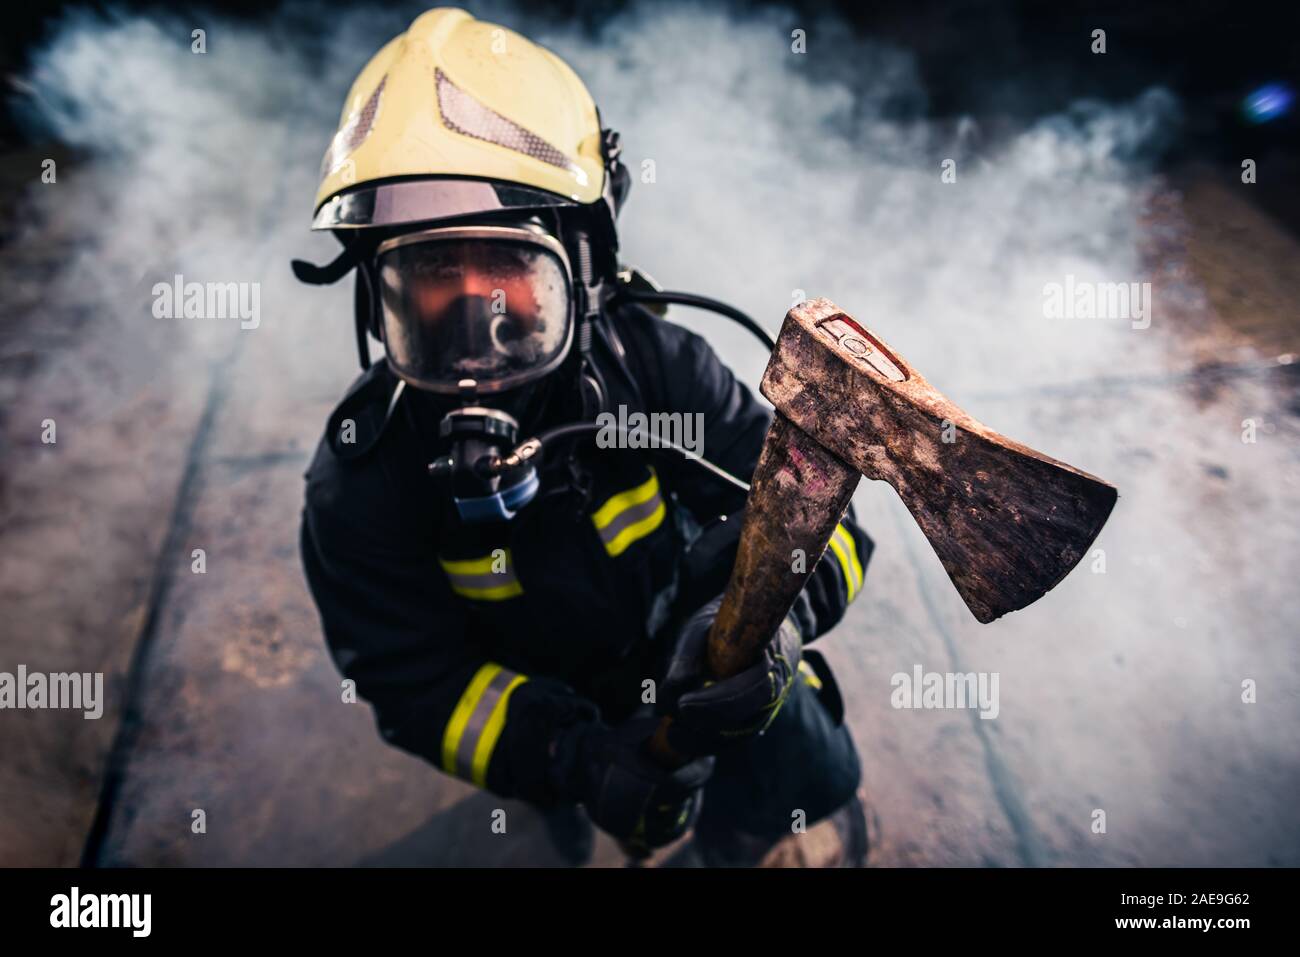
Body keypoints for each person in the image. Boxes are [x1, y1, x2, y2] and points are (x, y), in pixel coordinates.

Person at [294, 7, 872, 867]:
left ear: (587, 263)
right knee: (560, 824)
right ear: (376, 301)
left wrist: (766, 622)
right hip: (542, 704)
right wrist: (565, 757)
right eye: (431, 281)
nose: (478, 325)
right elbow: (412, 682)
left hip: (699, 661)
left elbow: (831, 532)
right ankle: (564, 815)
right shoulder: (363, 484)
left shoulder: (659, 370)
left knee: (799, 780)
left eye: (511, 274)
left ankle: (755, 834)